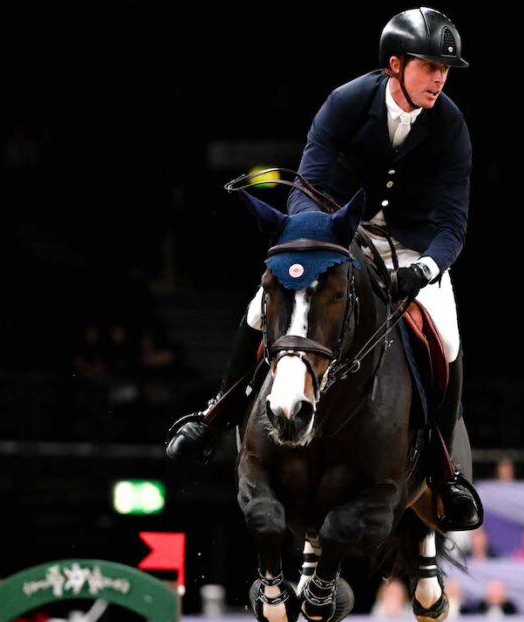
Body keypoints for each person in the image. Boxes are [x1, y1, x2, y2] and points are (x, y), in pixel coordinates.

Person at [165, 7, 479, 530]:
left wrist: (425, 269)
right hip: (338, 232)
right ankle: (215, 415)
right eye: (430, 65)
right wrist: (315, 236)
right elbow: (307, 183)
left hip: (412, 246)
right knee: (259, 306)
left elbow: (452, 223)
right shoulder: (346, 102)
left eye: (445, 69)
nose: (440, 78)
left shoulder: (450, 125)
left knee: (446, 338)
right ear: (396, 64)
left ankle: (443, 471)